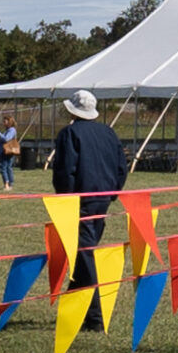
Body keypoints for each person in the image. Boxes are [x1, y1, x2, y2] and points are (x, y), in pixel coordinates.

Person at [52, 90, 125, 327]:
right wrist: (113, 191)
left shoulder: (70, 133)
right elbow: (121, 167)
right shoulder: (108, 132)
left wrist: (65, 200)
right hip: (102, 199)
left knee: (85, 256)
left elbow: (65, 171)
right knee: (82, 254)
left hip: (79, 202)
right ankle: (75, 306)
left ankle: (95, 317)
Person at [0, 115, 20, 189]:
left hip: (7, 152)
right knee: (8, 167)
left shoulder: (11, 130)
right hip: (5, 151)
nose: (3, 123)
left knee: (3, 168)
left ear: (9, 122)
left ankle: (7, 184)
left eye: (5, 121)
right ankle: (9, 183)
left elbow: (6, 139)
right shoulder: (8, 130)